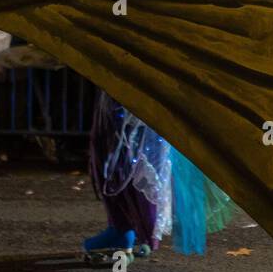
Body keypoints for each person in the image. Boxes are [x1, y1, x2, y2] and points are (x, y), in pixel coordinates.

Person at [84, 92, 236, 259]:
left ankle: (124, 231)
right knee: (138, 165)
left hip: (133, 104)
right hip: (148, 106)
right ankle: (133, 230)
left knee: (123, 164)